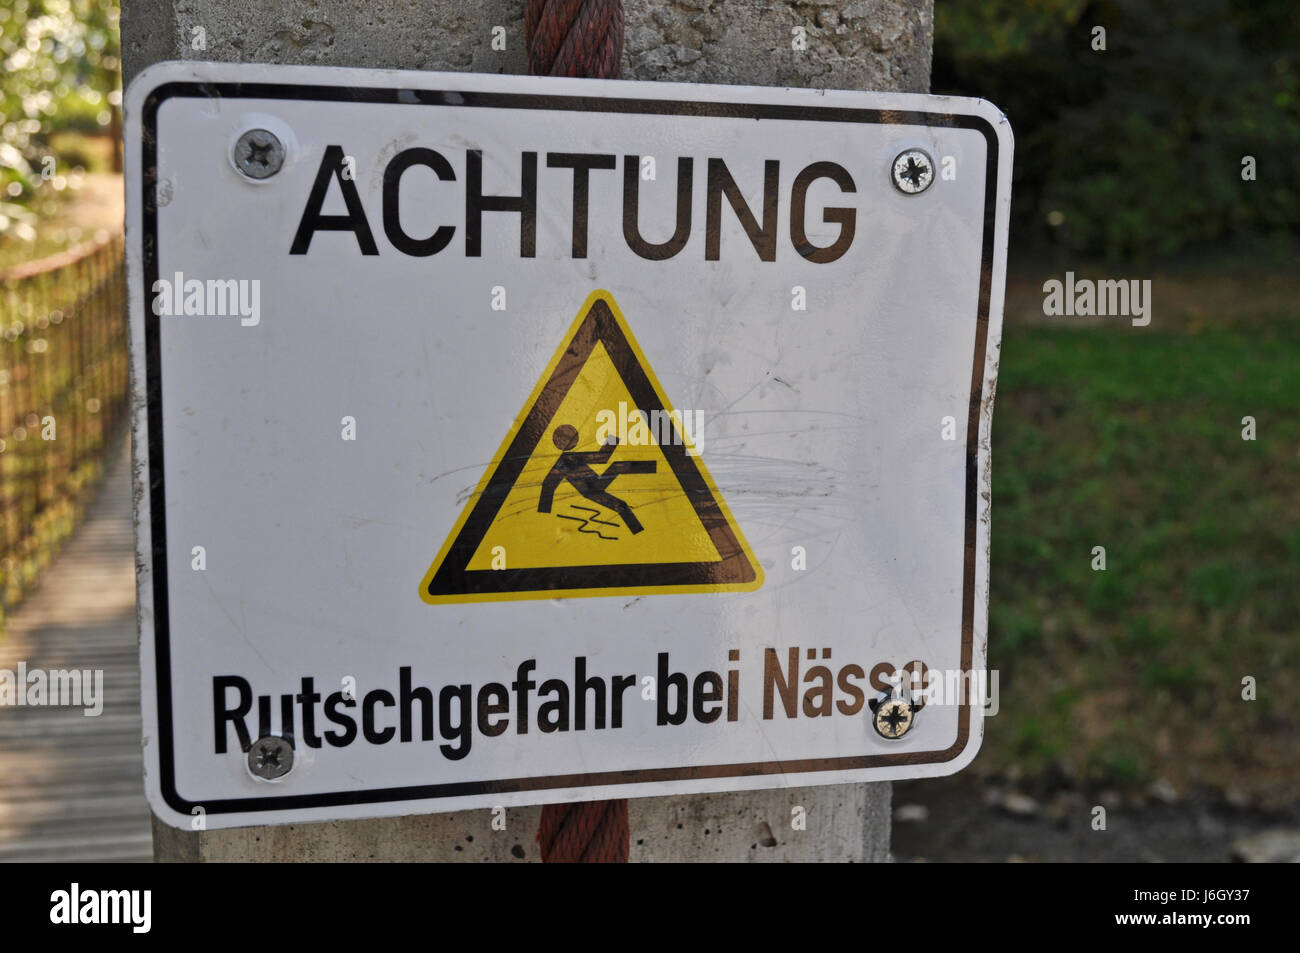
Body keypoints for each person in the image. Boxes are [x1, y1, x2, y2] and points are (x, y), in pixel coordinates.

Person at [538, 424, 656, 534]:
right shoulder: (562, 463)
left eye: (567, 438)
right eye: (563, 439)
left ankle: (659, 466)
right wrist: (543, 515)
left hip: (595, 484)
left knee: (620, 469)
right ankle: (639, 532)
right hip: (591, 490)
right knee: (620, 504)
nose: (566, 441)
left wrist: (614, 437)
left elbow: (600, 458)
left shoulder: (572, 457)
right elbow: (548, 486)